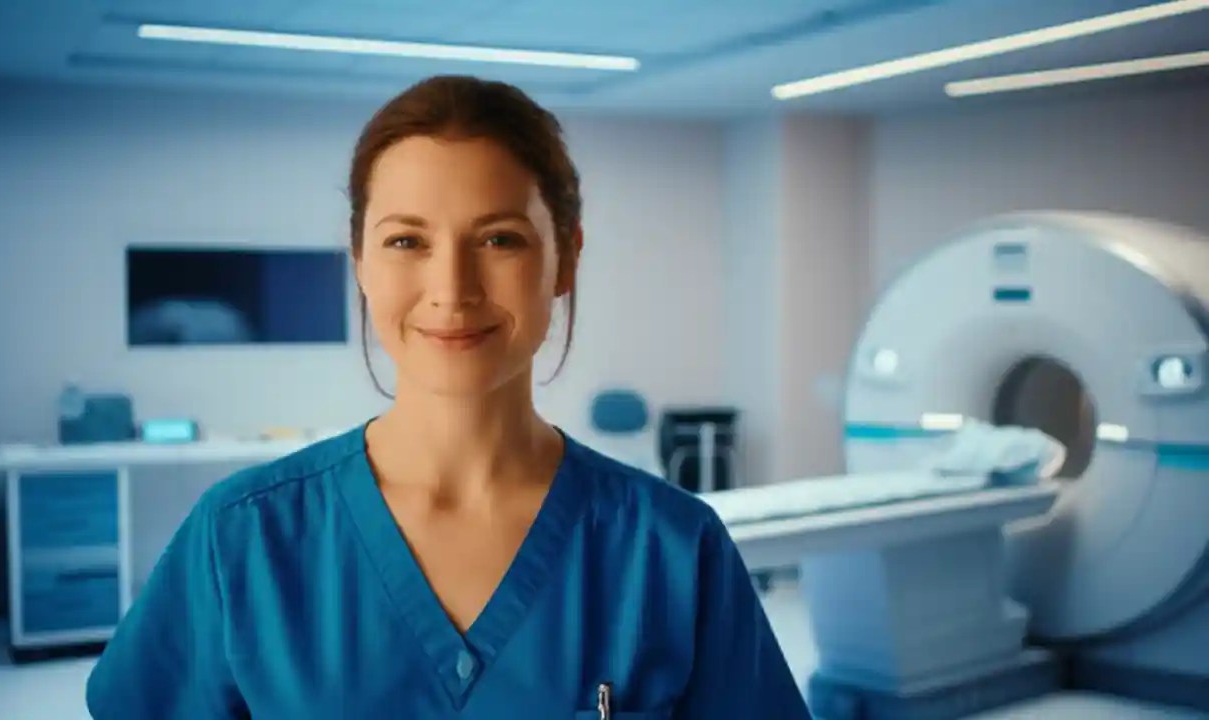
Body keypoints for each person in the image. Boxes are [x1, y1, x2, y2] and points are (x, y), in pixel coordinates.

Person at [86, 75, 811, 719]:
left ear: (566, 258)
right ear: (360, 264)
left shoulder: (670, 551)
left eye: (499, 240)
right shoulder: (243, 539)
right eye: (407, 242)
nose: (453, 291)